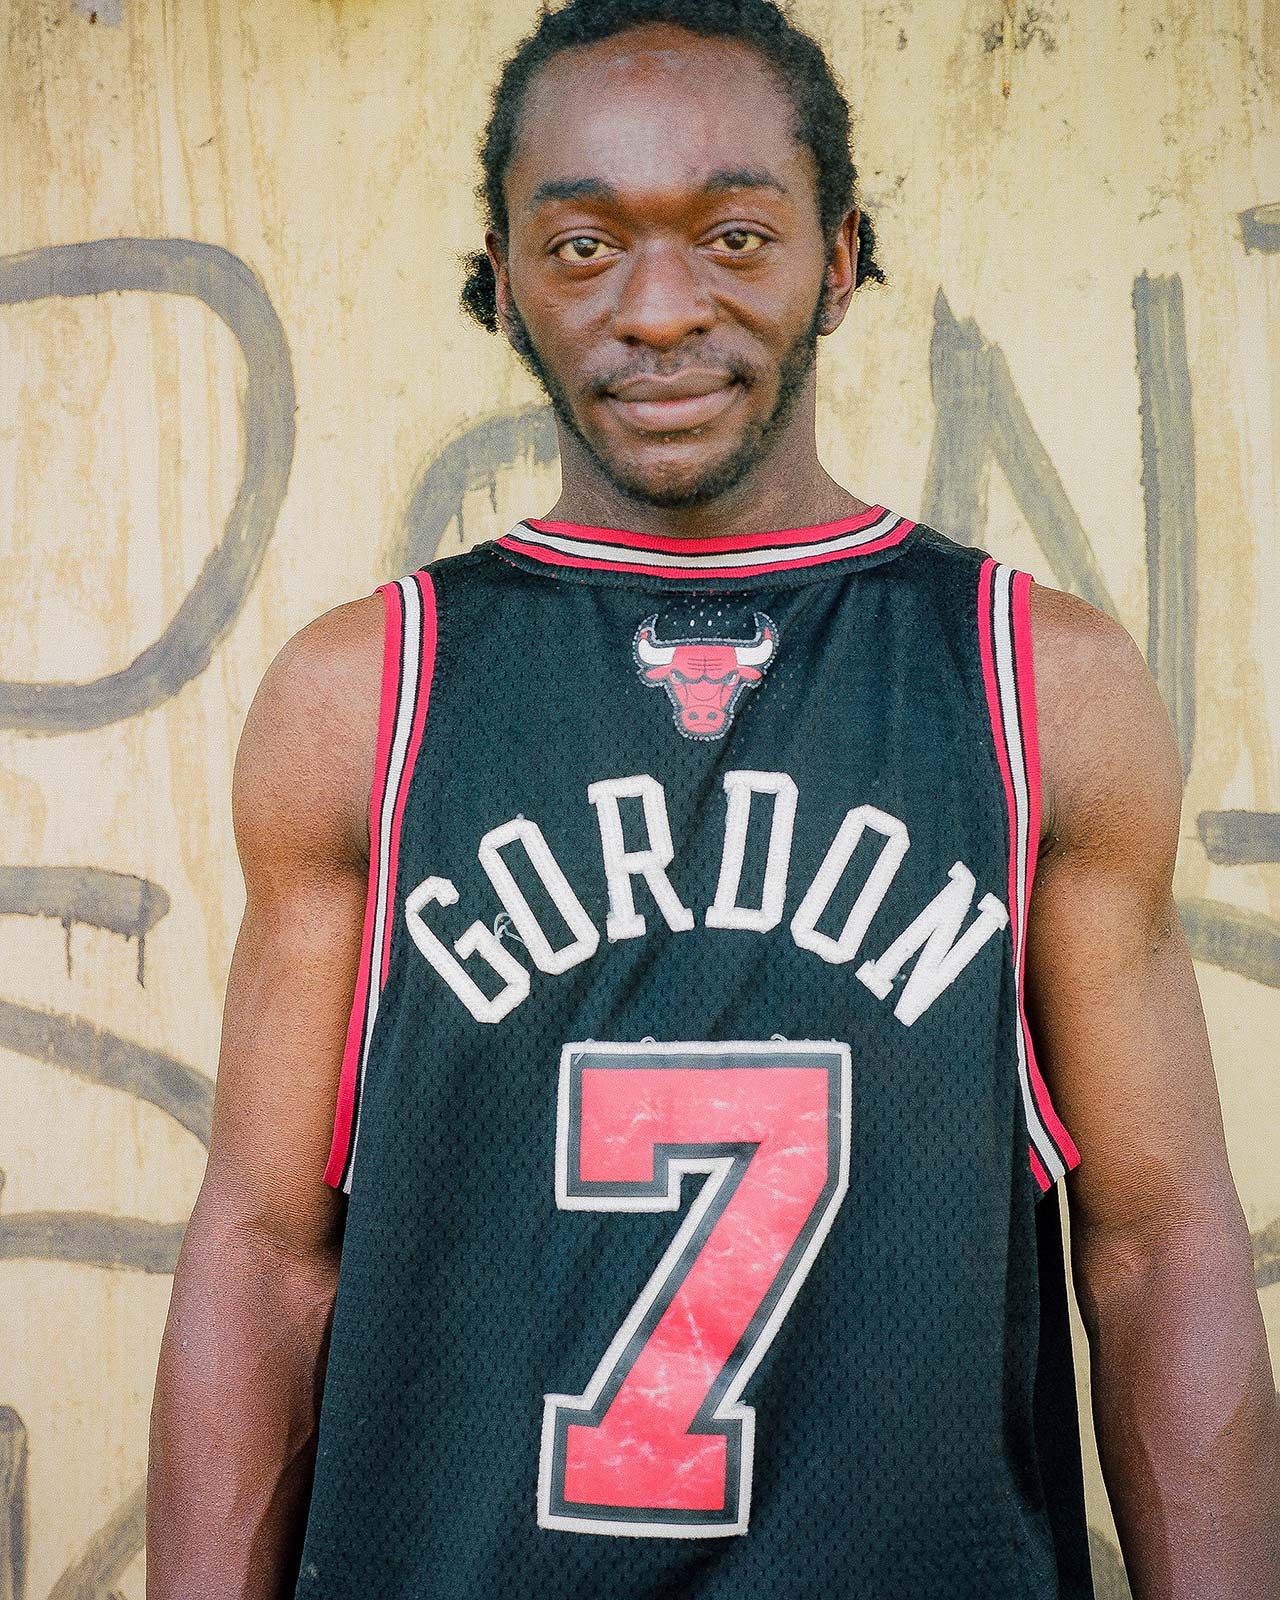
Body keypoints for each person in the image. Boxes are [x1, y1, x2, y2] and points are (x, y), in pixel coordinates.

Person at [146, 1, 1280, 1595]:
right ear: (502, 276)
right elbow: (265, 1255)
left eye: (735, 234)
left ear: (838, 253)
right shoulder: (367, 697)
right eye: (586, 246)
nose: (662, 309)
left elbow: (1159, 1247)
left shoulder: (1039, 682)